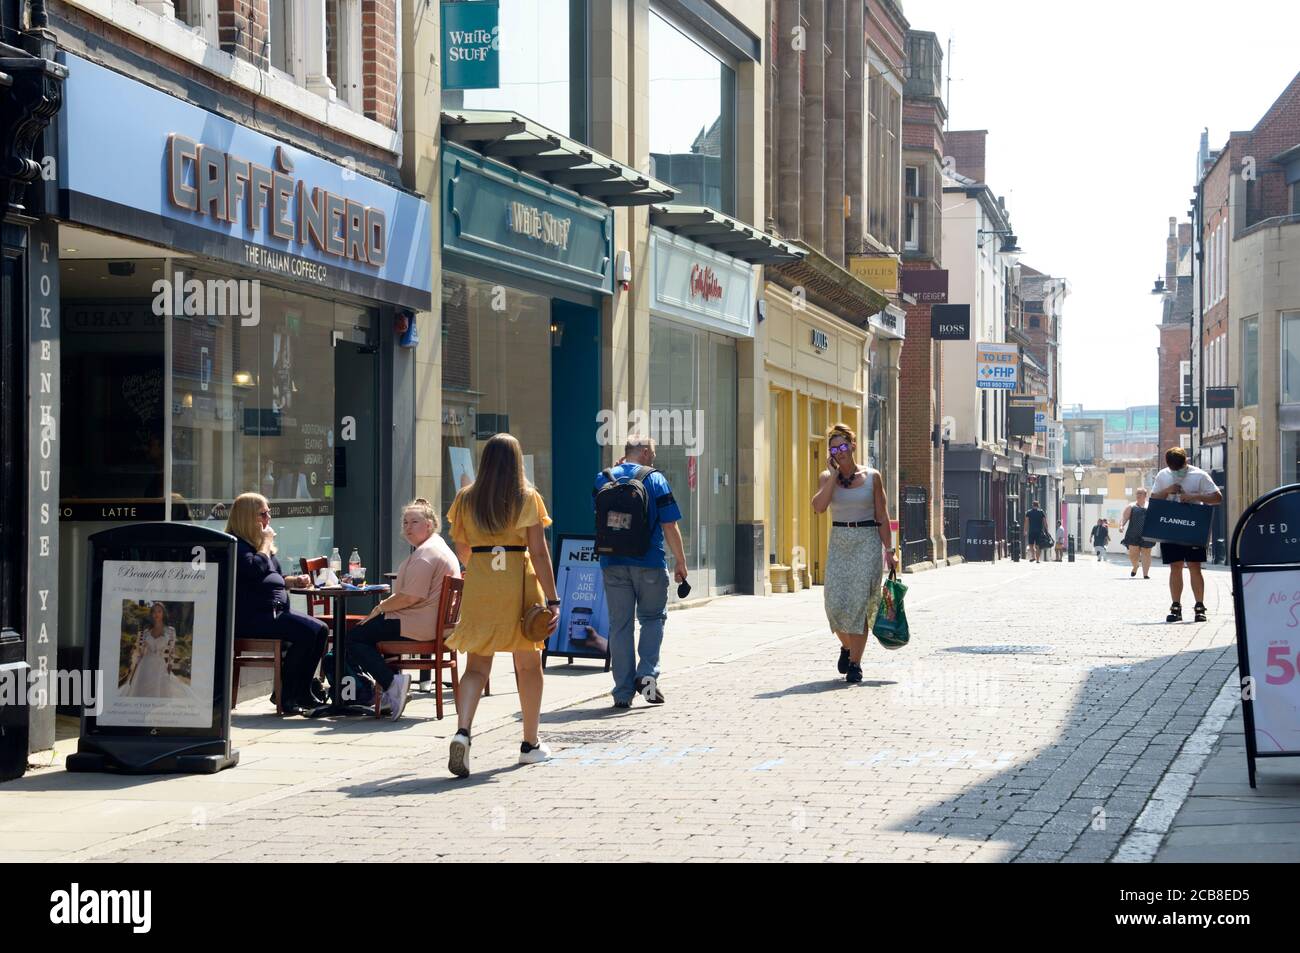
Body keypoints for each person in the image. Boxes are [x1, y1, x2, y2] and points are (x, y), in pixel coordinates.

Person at [444, 434, 560, 778]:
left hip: (481, 585)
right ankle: (529, 744)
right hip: (518, 584)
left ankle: (463, 731)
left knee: (477, 666)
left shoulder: (466, 499)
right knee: (527, 665)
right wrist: (552, 599)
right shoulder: (527, 497)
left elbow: (462, 549)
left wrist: (480, 566)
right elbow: (538, 552)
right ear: (517, 460)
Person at [594, 435, 688, 709]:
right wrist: (680, 561)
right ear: (645, 452)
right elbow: (669, 525)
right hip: (649, 563)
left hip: (612, 563)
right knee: (652, 618)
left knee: (620, 626)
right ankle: (647, 677)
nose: (654, 456)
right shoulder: (655, 480)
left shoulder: (603, 478)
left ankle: (622, 693)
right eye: (653, 451)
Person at [346, 499, 460, 720]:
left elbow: (410, 596)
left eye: (414, 522)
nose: (407, 527)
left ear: (429, 524)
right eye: (405, 522)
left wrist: (380, 607)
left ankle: (392, 684)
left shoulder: (427, 553)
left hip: (418, 624)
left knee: (354, 637)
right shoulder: (436, 547)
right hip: (427, 621)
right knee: (365, 632)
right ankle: (390, 688)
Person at [227, 492, 328, 715]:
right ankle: (287, 694)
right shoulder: (238, 547)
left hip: (275, 613)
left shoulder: (261, 548)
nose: (268, 518)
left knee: (320, 630)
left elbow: (273, 577)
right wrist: (265, 543)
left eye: (269, 513)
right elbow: (254, 570)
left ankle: (298, 691)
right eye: (263, 514)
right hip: (253, 617)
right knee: (308, 632)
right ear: (247, 517)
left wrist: (293, 581)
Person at [812, 423, 897, 684]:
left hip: (867, 542)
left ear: (853, 446)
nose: (840, 452)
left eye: (843, 446)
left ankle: (855, 665)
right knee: (834, 605)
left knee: (860, 606)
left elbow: (882, 516)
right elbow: (818, 507)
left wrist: (890, 551)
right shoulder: (828, 478)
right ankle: (847, 647)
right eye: (834, 448)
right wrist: (835, 476)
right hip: (840, 542)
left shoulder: (872, 477)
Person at [1150, 446, 1222, 622]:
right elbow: (1153, 499)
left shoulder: (1199, 475)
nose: (1176, 472)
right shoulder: (1163, 475)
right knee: (1175, 566)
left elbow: (1217, 498)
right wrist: (1167, 491)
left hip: (1193, 526)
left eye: (1179, 468)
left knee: (1194, 566)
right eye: (1173, 469)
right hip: (1170, 525)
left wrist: (1192, 496)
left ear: (1186, 462)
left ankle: (1199, 607)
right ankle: (1176, 607)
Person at [121, 602, 193, 699]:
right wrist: (134, 673)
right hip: (144, 667)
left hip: (160, 666)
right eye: (154, 611)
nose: (156, 614)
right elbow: (141, 654)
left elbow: (172, 651)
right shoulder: (146, 632)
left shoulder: (170, 631)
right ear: (151, 614)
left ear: (163, 613)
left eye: (159, 611)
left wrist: (170, 666)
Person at [1120, 487, 1155, 579]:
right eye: (1137, 493)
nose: (1138, 495)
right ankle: (1135, 566)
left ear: (1145, 495)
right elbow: (1124, 517)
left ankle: (1145, 574)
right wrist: (1121, 526)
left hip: (1147, 533)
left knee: (1146, 553)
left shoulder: (1151, 506)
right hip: (1133, 533)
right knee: (1133, 555)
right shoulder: (1131, 506)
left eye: (1140, 493)